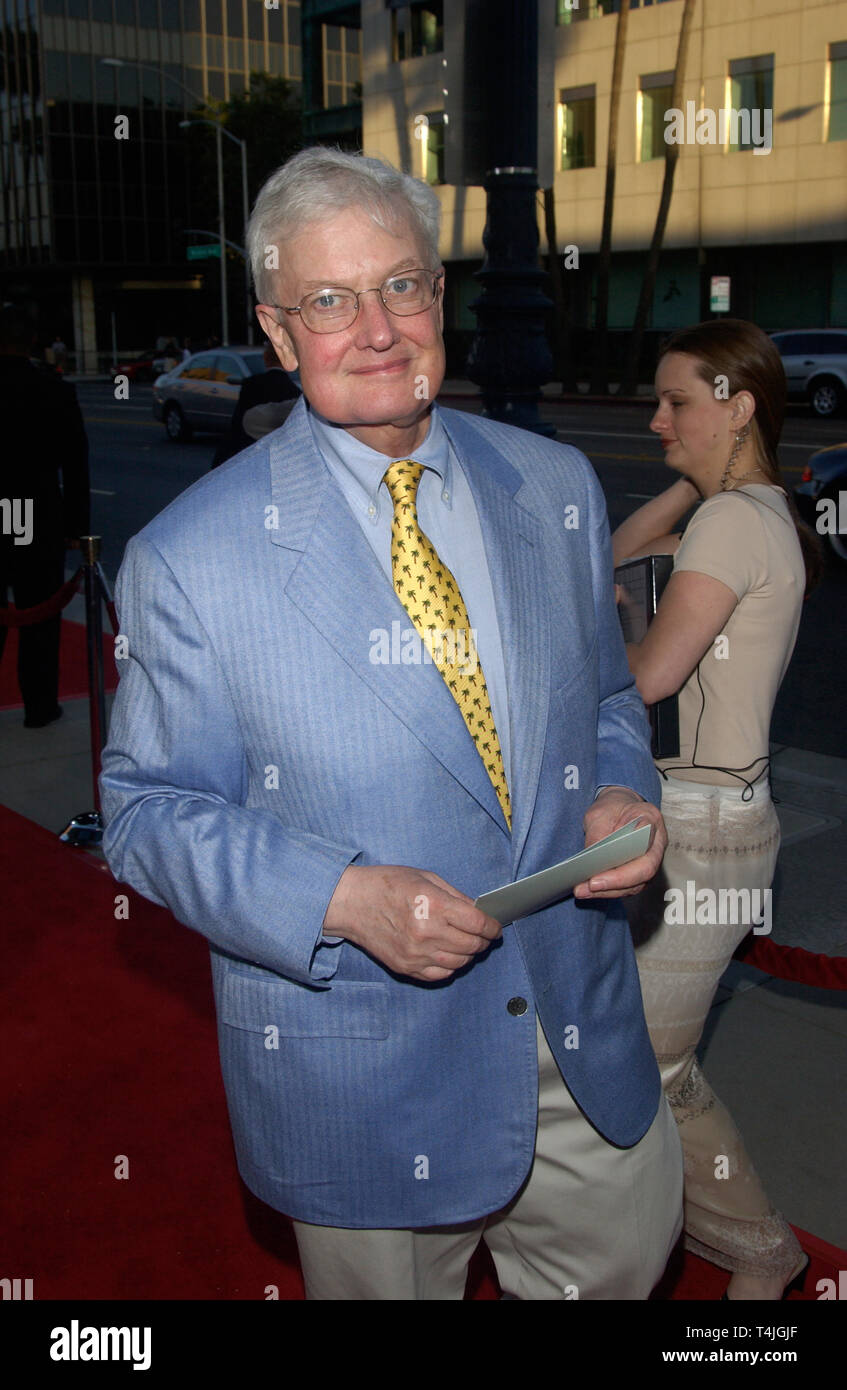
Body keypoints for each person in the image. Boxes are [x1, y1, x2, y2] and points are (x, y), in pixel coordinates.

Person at [100, 147, 683, 1301]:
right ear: (276, 333)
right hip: (367, 1069)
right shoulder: (190, 556)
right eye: (329, 300)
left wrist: (624, 793)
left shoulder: (555, 485)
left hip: (579, 1023)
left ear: (438, 298)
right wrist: (342, 898)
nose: (375, 328)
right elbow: (146, 813)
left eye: (401, 286)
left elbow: (610, 700)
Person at [611, 319, 821, 1301]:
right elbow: (621, 549)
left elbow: (647, 675)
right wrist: (703, 467)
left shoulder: (736, 524)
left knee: (652, 1070)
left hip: (702, 832)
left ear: (736, 405)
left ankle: (759, 1245)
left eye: (678, 402)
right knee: (643, 1059)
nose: (657, 420)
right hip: (710, 817)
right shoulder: (751, 509)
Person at [0, 306, 90, 727]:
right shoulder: (54, 390)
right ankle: (39, 706)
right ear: (32, 341)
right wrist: (77, 527)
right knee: (41, 614)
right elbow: (75, 464)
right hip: (35, 511)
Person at [210, 338, 300, 468]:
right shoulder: (293, 390)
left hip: (244, 454)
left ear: (265, 358)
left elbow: (237, 426)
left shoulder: (252, 384)